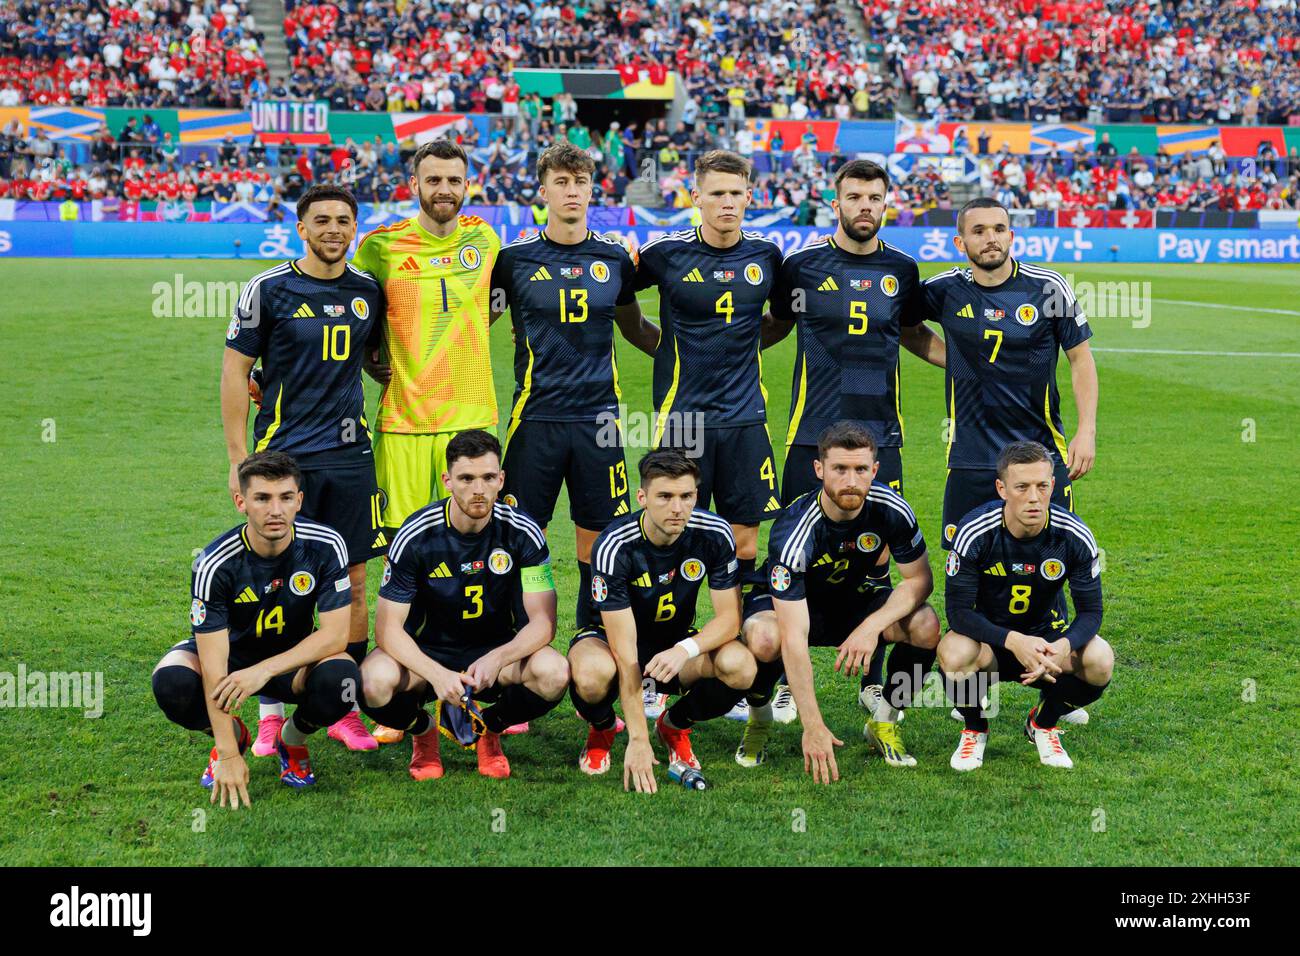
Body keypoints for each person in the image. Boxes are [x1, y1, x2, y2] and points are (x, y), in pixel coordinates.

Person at [221, 184, 386, 755]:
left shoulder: (369, 290)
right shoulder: (269, 289)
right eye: (322, 220)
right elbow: (234, 371)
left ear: (355, 226)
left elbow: (377, 358)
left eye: (344, 219)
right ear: (301, 227)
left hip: (351, 456)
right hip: (282, 456)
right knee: (275, 582)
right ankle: (269, 708)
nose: (334, 229)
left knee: (356, 581)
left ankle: (344, 707)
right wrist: (239, 459)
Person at [353, 140, 504, 743]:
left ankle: (486, 689)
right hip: (405, 424)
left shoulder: (485, 240)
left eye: (455, 179)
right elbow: (353, 315)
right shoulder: (381, 246)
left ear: (468, 184)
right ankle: (413, 688)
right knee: (406, 561)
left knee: (486, 559)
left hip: (472, 420)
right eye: (433, 178)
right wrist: (376, 363)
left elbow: (492, 306)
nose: (445, 188)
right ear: (413, 182)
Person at [490, 143, 659, 636]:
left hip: (600, 423)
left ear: (592, 190)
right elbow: (477, 326)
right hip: (534, 420)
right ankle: (521, 644)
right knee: (521, 537)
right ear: (543, 192)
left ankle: (592, 642)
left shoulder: (614, 258)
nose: (571, 191)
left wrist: (693, 358)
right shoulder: (513, 260)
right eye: (561, 183)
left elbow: (636, 329)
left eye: (580, 182)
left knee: (600, 540)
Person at [152, 452, 360, 807]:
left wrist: (262, 671)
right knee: (171, 683)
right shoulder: (215, 563)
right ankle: (237, 736)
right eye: (262, 498)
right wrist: (228, 753)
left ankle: (291, 739)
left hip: (290, 660)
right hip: (231, 658)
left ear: (299, 501)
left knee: (342, 681)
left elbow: (335, 636)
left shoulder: (326, 545)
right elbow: (214, 665)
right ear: (241, 502)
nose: (275, 509)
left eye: (285, 497)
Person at [358, 430, 567, 779]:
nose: (479, 489)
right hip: (425, 656)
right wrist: (435, 673)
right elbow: (387, 629)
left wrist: (498, 658)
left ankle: (489, 729)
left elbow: (543, 622)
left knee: (554, 672)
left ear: (501, 479)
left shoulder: (523, 532)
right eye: (466, 478)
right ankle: (423, 732)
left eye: (488, 477)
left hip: (494, 657)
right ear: (448, 481)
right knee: (371, 682)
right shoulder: (416, 534)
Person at [736, 423, 939, 778]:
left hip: (853, 603)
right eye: (840, 469)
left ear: (874, 470)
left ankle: (883, 723)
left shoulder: (892, 508)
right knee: (766, 638)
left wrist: (871, 627)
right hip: (793, 608)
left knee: (926, 625)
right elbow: (794, 635)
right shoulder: (796, 529)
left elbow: (920, 580)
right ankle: (759, 719)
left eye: (861, 470)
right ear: (819, 470)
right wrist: (813, 726)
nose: (851, 480)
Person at [632, 149, 784, 600]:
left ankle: (736, 637)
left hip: (745, 419)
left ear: (750, 196)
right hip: (683, 419)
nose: (727, 202)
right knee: (670, 531)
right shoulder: (664, 253)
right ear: (696, 196)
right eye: (717, 193)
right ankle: (667, 631)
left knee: (744, 540)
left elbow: (782, 319)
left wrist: (741, 346)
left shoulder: (767, 255)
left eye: (736, 193)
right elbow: (622, 307)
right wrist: (663, 350)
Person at [918, 198, 1098, 553]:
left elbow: (1080, 359)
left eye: (999, 229)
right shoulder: (944, 290)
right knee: (966, 562)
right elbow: (907, 327)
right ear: (960, 243)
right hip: (970, 455)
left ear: (1011, 235)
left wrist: (1086, 431)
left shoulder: (1048, 286)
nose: (991, 239)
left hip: (1040, 452)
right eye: (979, 231)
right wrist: (956, 359)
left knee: (1050, 556)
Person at [571, 450, 752, 791]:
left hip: (674, 642)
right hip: (610, 641)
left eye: (686, 496)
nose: (677, 508)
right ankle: (604, 728)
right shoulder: (615, 545)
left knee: (740, 666)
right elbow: (626, 654)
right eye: (665, 497)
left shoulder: (714, 532)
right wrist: (637, 739)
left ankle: (675, 725)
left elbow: (730, 620)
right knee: (591, 675)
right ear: (642, 498)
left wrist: (685, 649)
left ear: (696, 496)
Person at [938, 442, 1112, 771]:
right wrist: (1014, 641)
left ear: (1052, 486)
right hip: (991, 643)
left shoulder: (1074, 534)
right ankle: (975, 728)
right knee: (953, 652)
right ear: (1002, 488)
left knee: (1100, 659)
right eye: (1022, 487)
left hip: (1048, 644)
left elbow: (1091, 613)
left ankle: (1043, 723)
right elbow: (958, 612)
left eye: (1042, 486)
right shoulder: (974, 531)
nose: (1033, 497)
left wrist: (1063, 644)